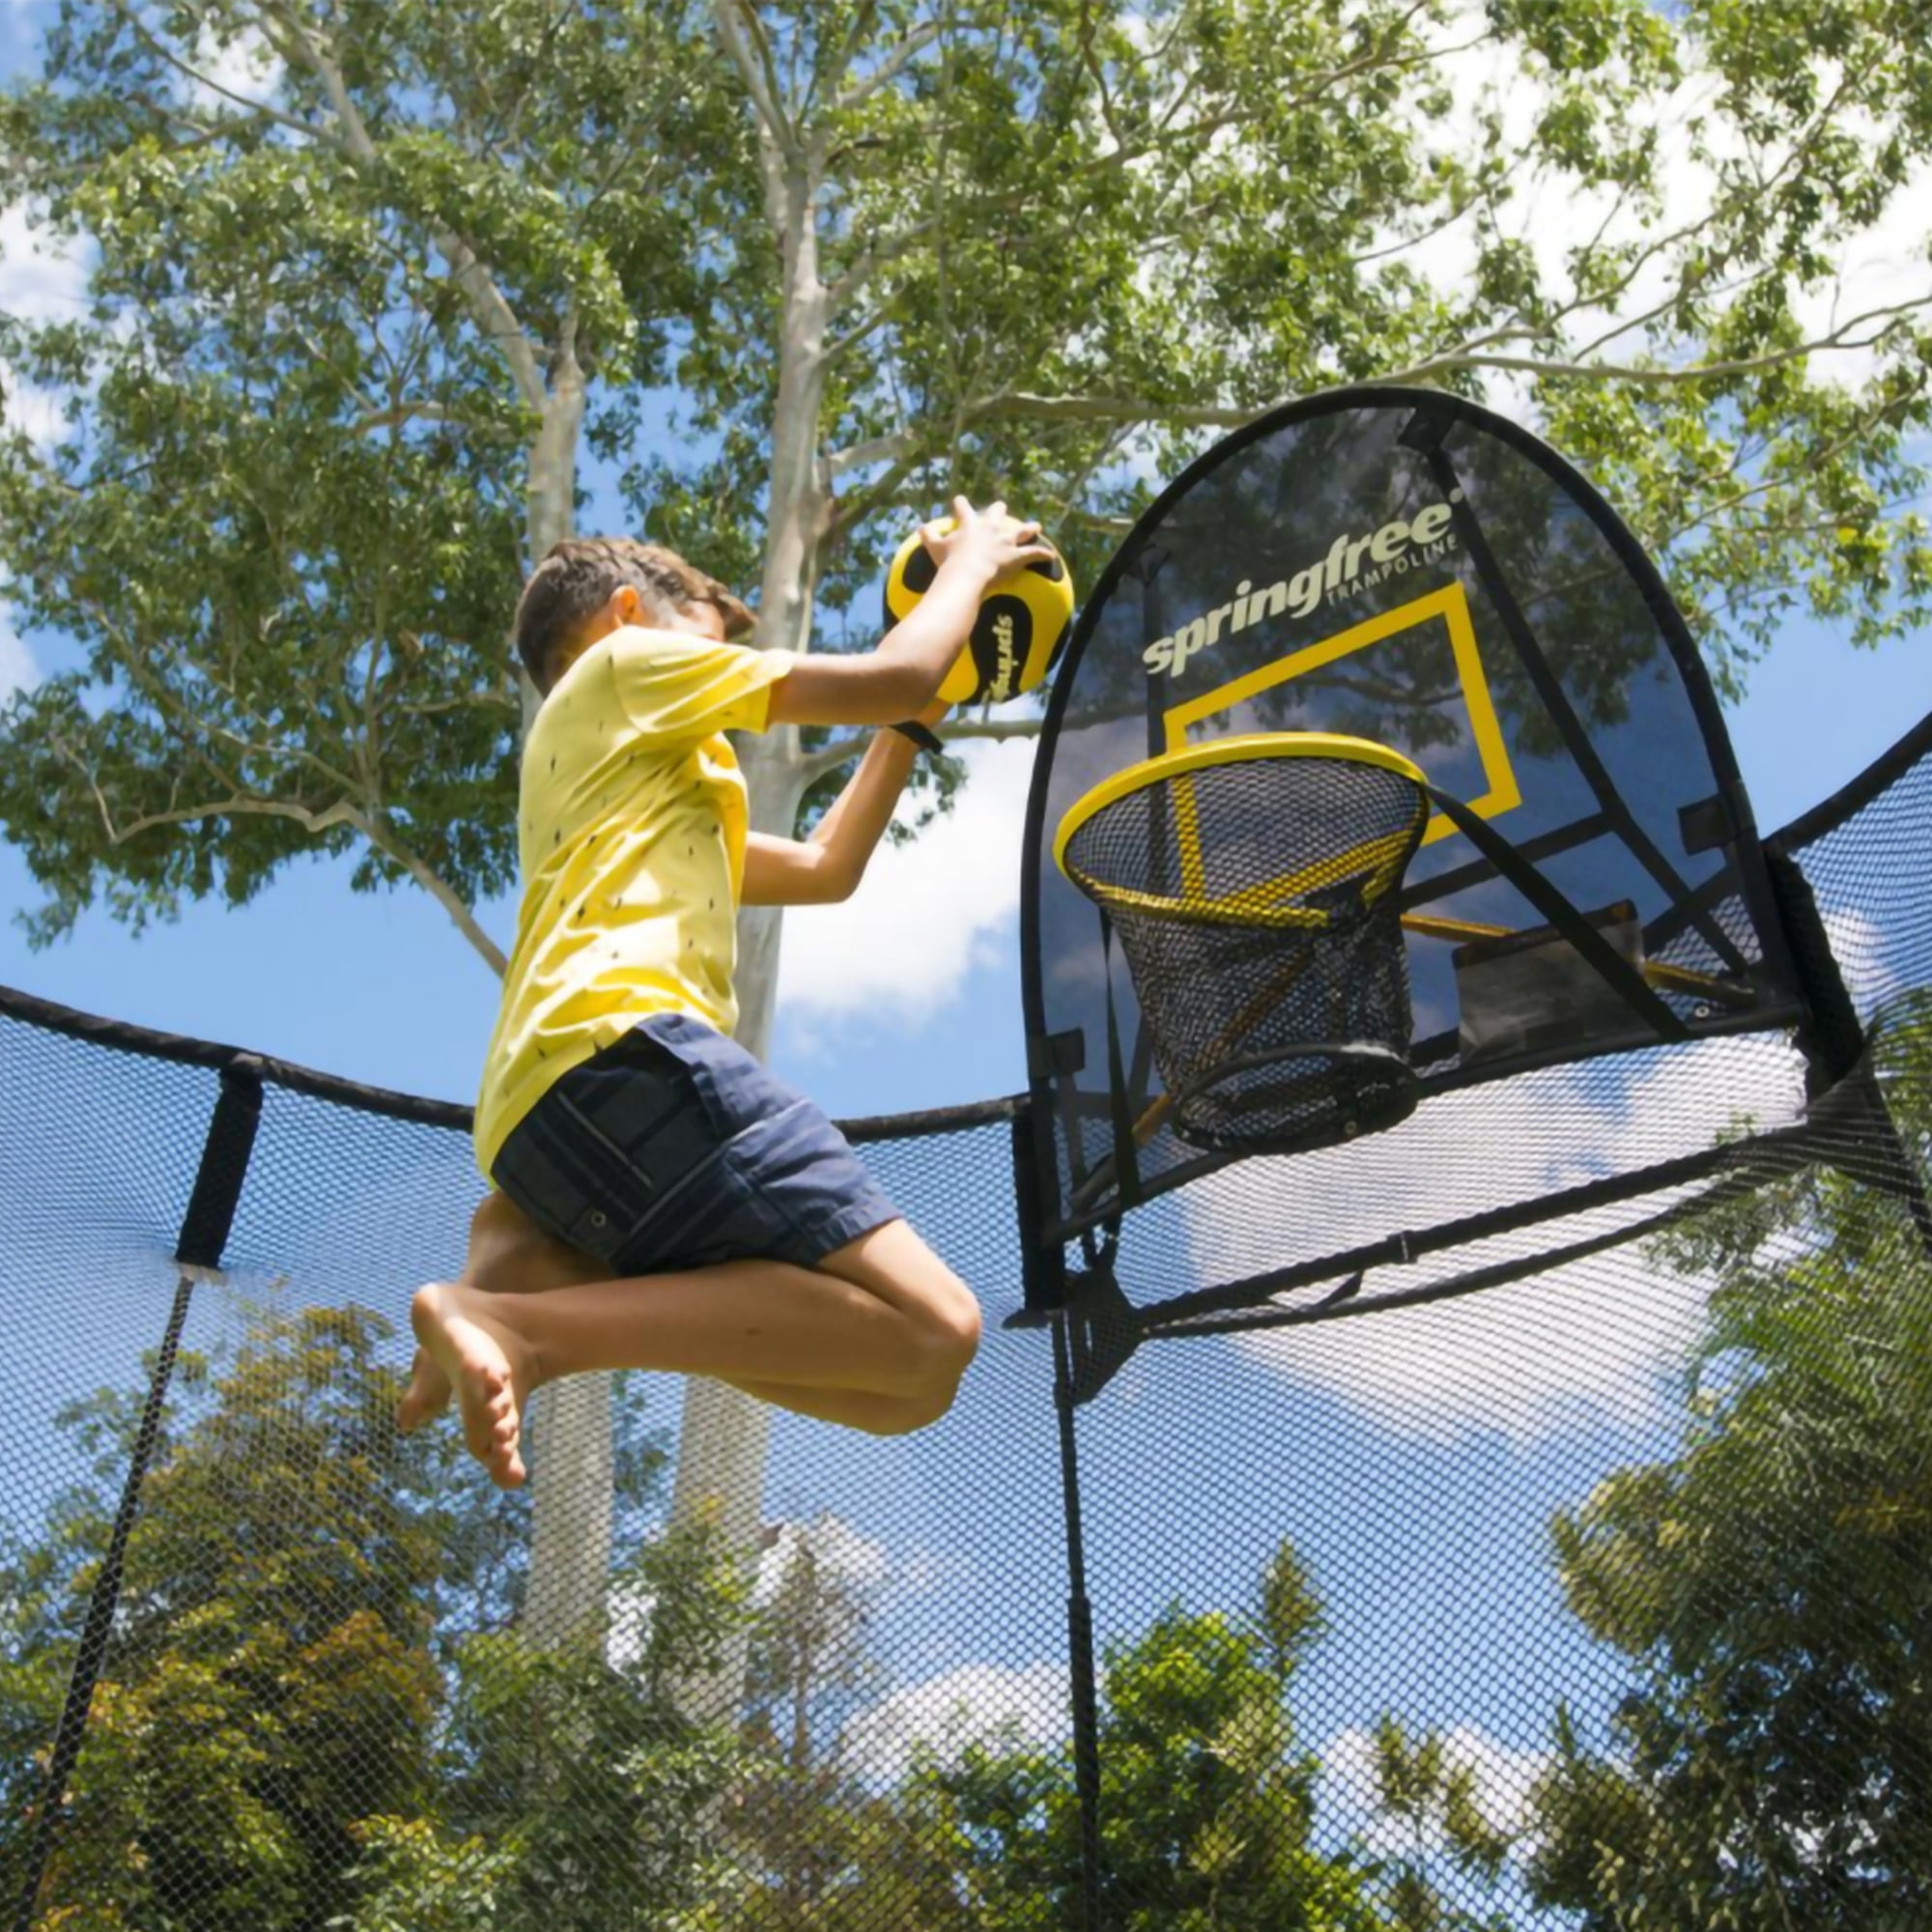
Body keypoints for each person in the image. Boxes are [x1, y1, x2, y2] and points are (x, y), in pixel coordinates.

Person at [399, 497, 1052, 1487]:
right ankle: (516, 1319)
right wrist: (968, 568)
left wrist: (930, 707)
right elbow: (893, 674)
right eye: (705, 648)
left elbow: (830, 865)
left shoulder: (634, 788)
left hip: (542, 1120)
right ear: (625, 616)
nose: (718, 678)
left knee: (908, 1381)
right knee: (940, 1322)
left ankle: (524, 1281)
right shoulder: (621, 671)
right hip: (635, 1055)